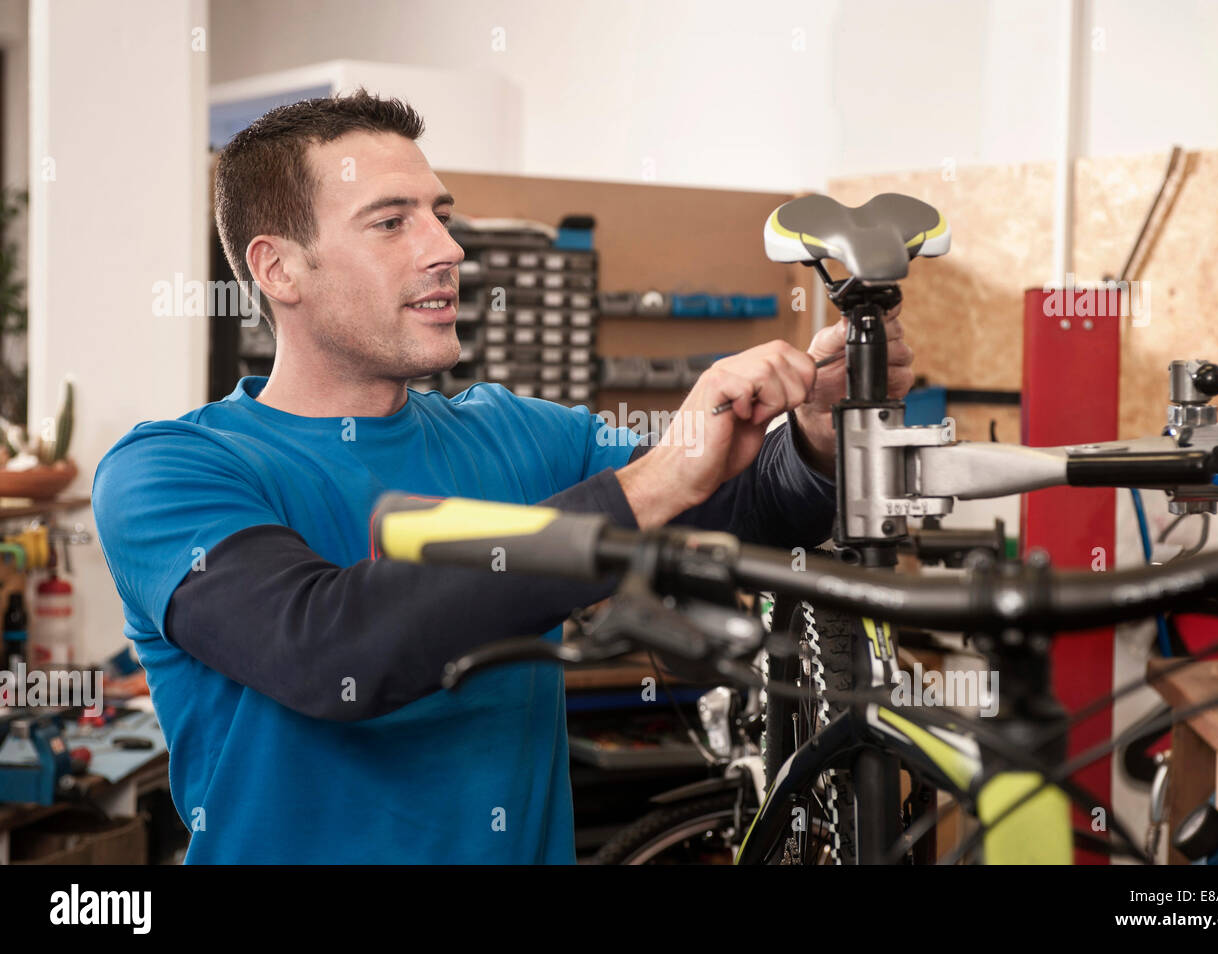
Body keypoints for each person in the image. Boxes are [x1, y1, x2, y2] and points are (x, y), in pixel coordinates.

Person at [91, 90, 914, 863]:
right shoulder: (170, 470)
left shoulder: (516, 433)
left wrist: (811, 431)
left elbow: (752, 505)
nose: (448, 249)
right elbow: (330, 650)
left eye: (442, 217)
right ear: (279, 271)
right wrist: (655, 479)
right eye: (391, 223)